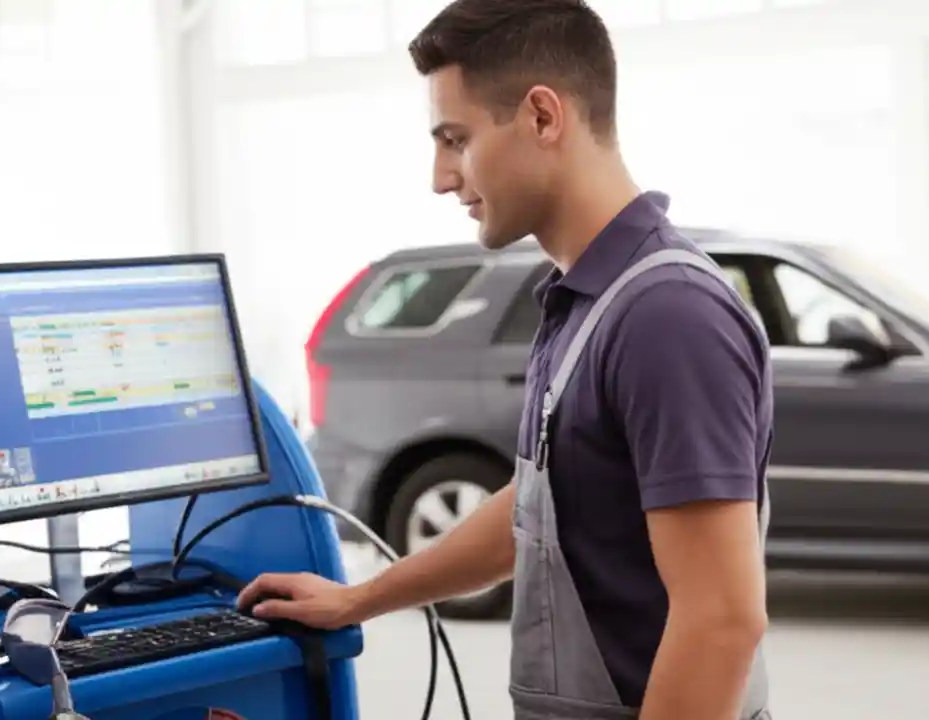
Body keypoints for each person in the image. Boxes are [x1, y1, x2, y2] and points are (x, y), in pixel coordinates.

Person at [238, 1, 774, 718]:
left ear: (543, 117)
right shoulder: (584, 300)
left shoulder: (665, 317)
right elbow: (537, 510)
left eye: (455, 139)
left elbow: (721, 623)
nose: (440, 176)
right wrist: (359, 599)